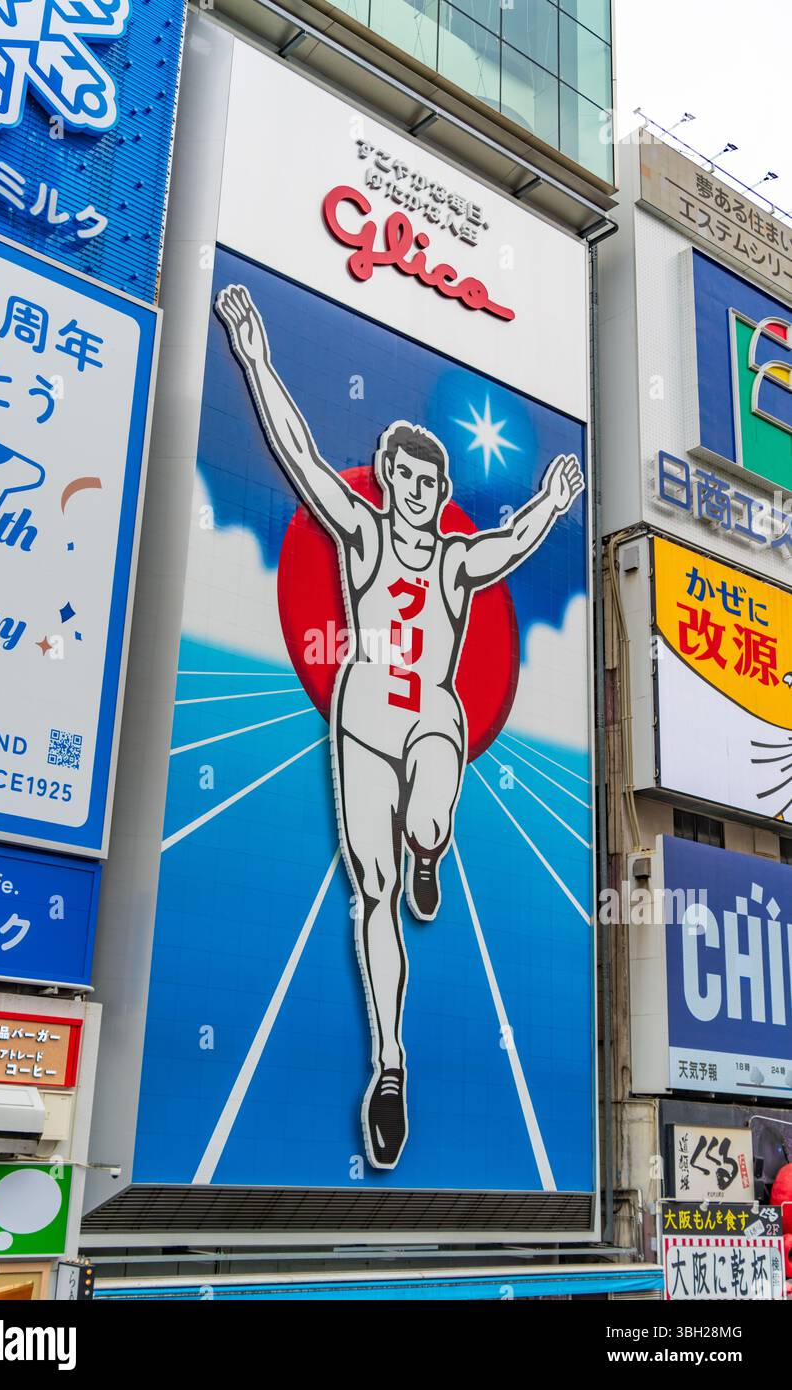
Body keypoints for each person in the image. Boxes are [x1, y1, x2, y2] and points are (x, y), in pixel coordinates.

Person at [216, 284, 584, 1169]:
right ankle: (389, 1063)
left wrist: (553, 503)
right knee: (371, 895)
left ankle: (432, 845)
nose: (416, 493)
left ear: (441, 489)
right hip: (363, 721)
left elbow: (514, 543)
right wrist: (256, 357)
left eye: (429, 482)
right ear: (388, 483)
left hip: (431, 719)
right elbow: (298, 453)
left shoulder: (457, 561)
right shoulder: (362, 536)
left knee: (425, 816)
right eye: (404, 480)